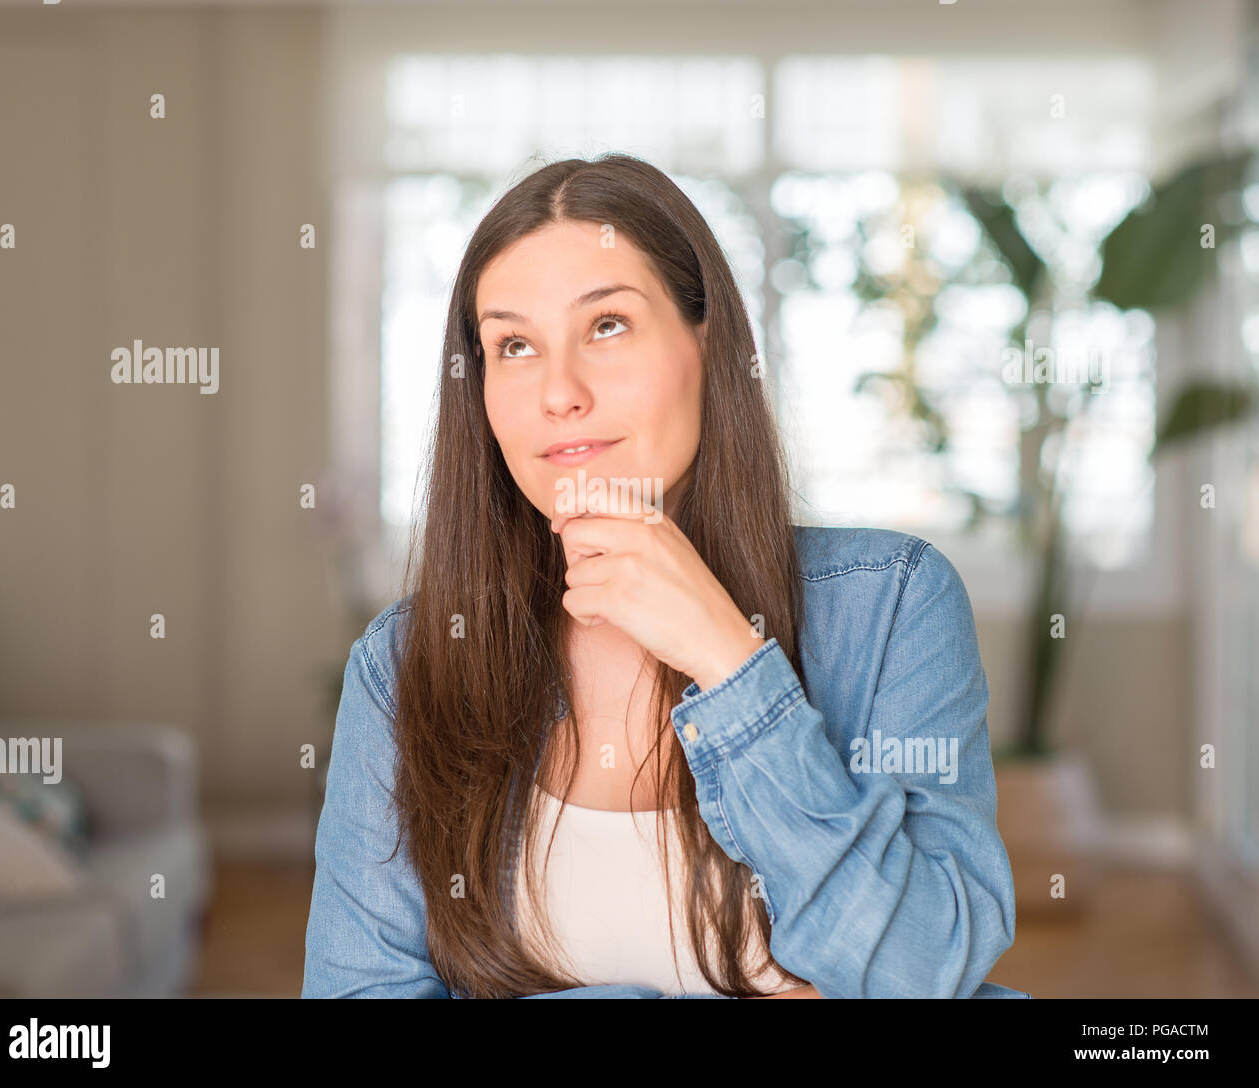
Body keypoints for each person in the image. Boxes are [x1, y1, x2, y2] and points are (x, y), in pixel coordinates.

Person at [302, 152, 1028, 999]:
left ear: (707, 343)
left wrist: (732, 668)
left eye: (606, 325)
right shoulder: (402, 666)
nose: (559, 392)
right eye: (514, 345)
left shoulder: (892, 603)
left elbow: (926, 968)